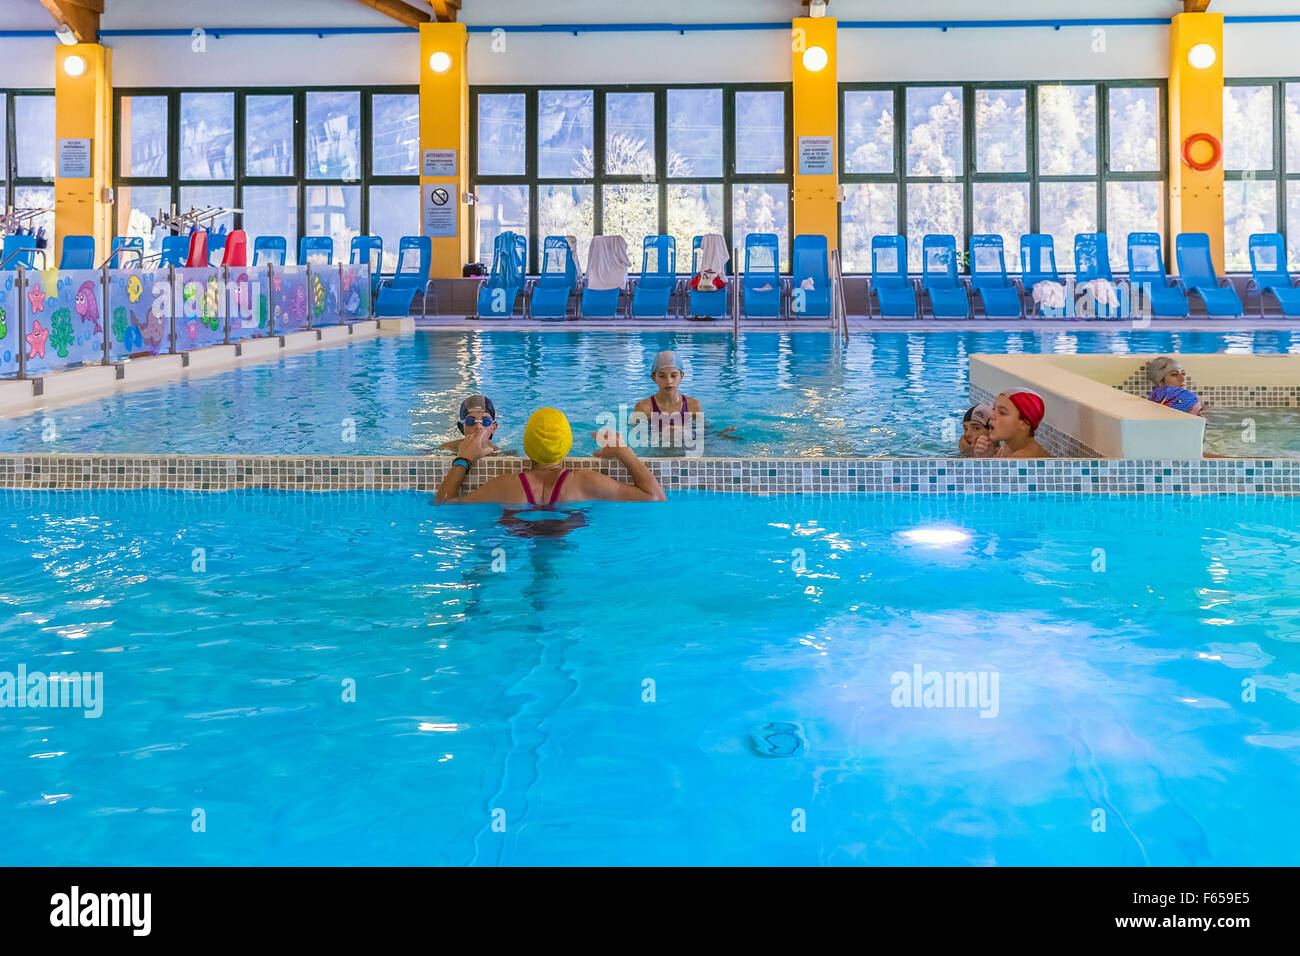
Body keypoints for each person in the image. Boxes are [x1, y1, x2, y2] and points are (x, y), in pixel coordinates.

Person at [435, 407, 666, 504]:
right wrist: (625, 452)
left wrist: (463, 459)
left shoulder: (504, 486)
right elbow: (654, 496)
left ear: (527, 446)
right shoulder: (587, 482)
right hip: (568, 535)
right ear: (567, 444)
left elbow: (445, 503)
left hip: (517, 535)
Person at [632, 350, 736, 450]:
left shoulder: (693, 405)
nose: (668, 381)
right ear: (653, 377)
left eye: (674, 375)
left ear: (681, 376)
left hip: (687, 448)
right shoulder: (643, 407)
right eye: (662, 376)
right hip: (657, 449)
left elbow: (703, 433)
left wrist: (720, 435)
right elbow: (634, 437)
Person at [976, 390, 1050, 459]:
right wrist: (988, 455)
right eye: (994, 409)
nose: (991, 416)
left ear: (1024, 423)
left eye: (1002, 412)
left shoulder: (1022, 457)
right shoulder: (1008, 446)